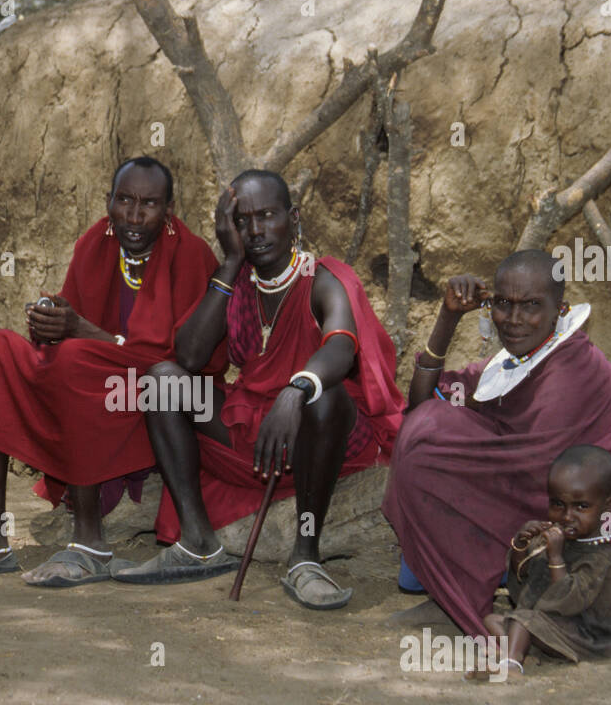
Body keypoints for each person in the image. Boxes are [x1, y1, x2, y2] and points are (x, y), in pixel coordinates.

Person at [0, 157, 220, 586]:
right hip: (98, 378)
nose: (133, 214)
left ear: (169, 208)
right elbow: (72, 325)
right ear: (108, 200)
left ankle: (90, 543)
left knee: (77, 362)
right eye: (124, 200)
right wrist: (51, 321)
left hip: (161, 398)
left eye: (149, 203)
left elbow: (183, 363)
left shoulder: (191, 254)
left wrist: (82, 332)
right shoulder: (96, 243)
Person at [112, 170, 404, 609]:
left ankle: (305, 556)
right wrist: (229, 264)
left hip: (317, 433)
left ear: (293, 217)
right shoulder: (239, 281)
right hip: (254, 431)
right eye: (242, 220)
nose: (255, 230)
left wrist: (297, 389)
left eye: (267, 216)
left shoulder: (325, 277)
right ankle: (197, 542)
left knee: (325, 396)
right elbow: (189, 356)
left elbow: (342, 344)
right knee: (162, 380)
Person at [381, 250, 611, 637]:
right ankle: (458, 592)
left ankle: (470, 593)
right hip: (547, 507)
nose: (515, 319)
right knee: (425, 433)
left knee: (429, 444)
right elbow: (421, 409)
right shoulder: (511, 362)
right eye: (503, 304)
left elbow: (530, 471)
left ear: (560, 309)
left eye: (531, 306)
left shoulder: (574, 368)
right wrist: (447, 319)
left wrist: (443, 457)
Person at [466, 444, 611, 680]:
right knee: (493, 620)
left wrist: (555, 557)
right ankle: (521, 651)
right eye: (557, 504)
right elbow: (524, 583)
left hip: (592, 635)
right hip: (555, 622)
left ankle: (511, 664)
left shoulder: (601, 557)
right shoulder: (559, 538)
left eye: (581, 506)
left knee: (523, 620)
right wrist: (521, 546)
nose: (567, 516)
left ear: (607, 506)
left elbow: (566, 602)